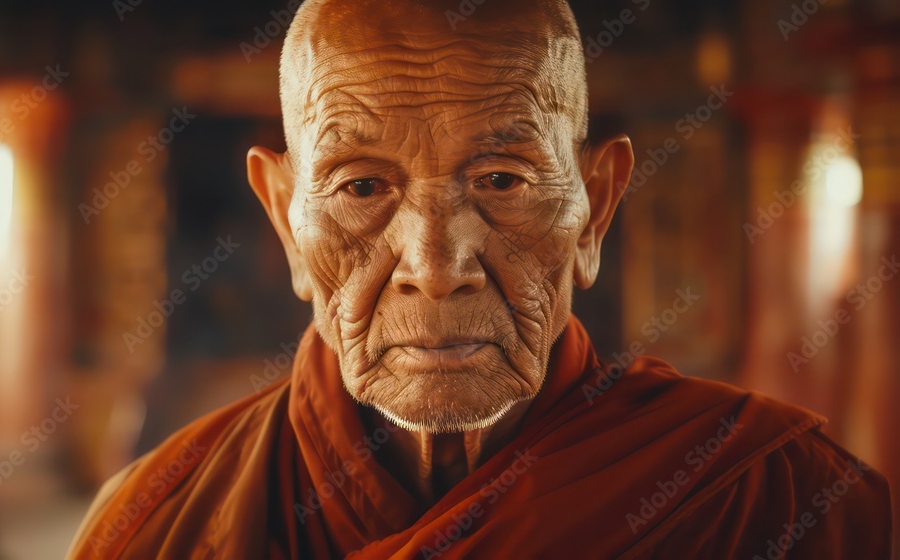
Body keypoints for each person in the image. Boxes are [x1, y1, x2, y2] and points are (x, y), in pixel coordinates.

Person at [68, 0, 893, 557]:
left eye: (502, 180)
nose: (435, 268)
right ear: (286, 220)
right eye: (362, 187)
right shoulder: (153, 524)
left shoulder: (780, 500)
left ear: (595, 209)